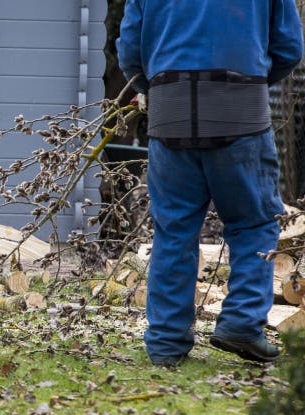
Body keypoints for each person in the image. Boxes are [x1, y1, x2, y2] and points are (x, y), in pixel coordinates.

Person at [117, 0, 304, 365]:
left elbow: (129, 51)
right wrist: (247, 81)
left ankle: (166, 344)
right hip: (240, 114)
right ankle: (242, 324)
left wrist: (155, 86)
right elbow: (288, 49)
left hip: (170, 115)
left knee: (173, 231)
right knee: (254, 224)